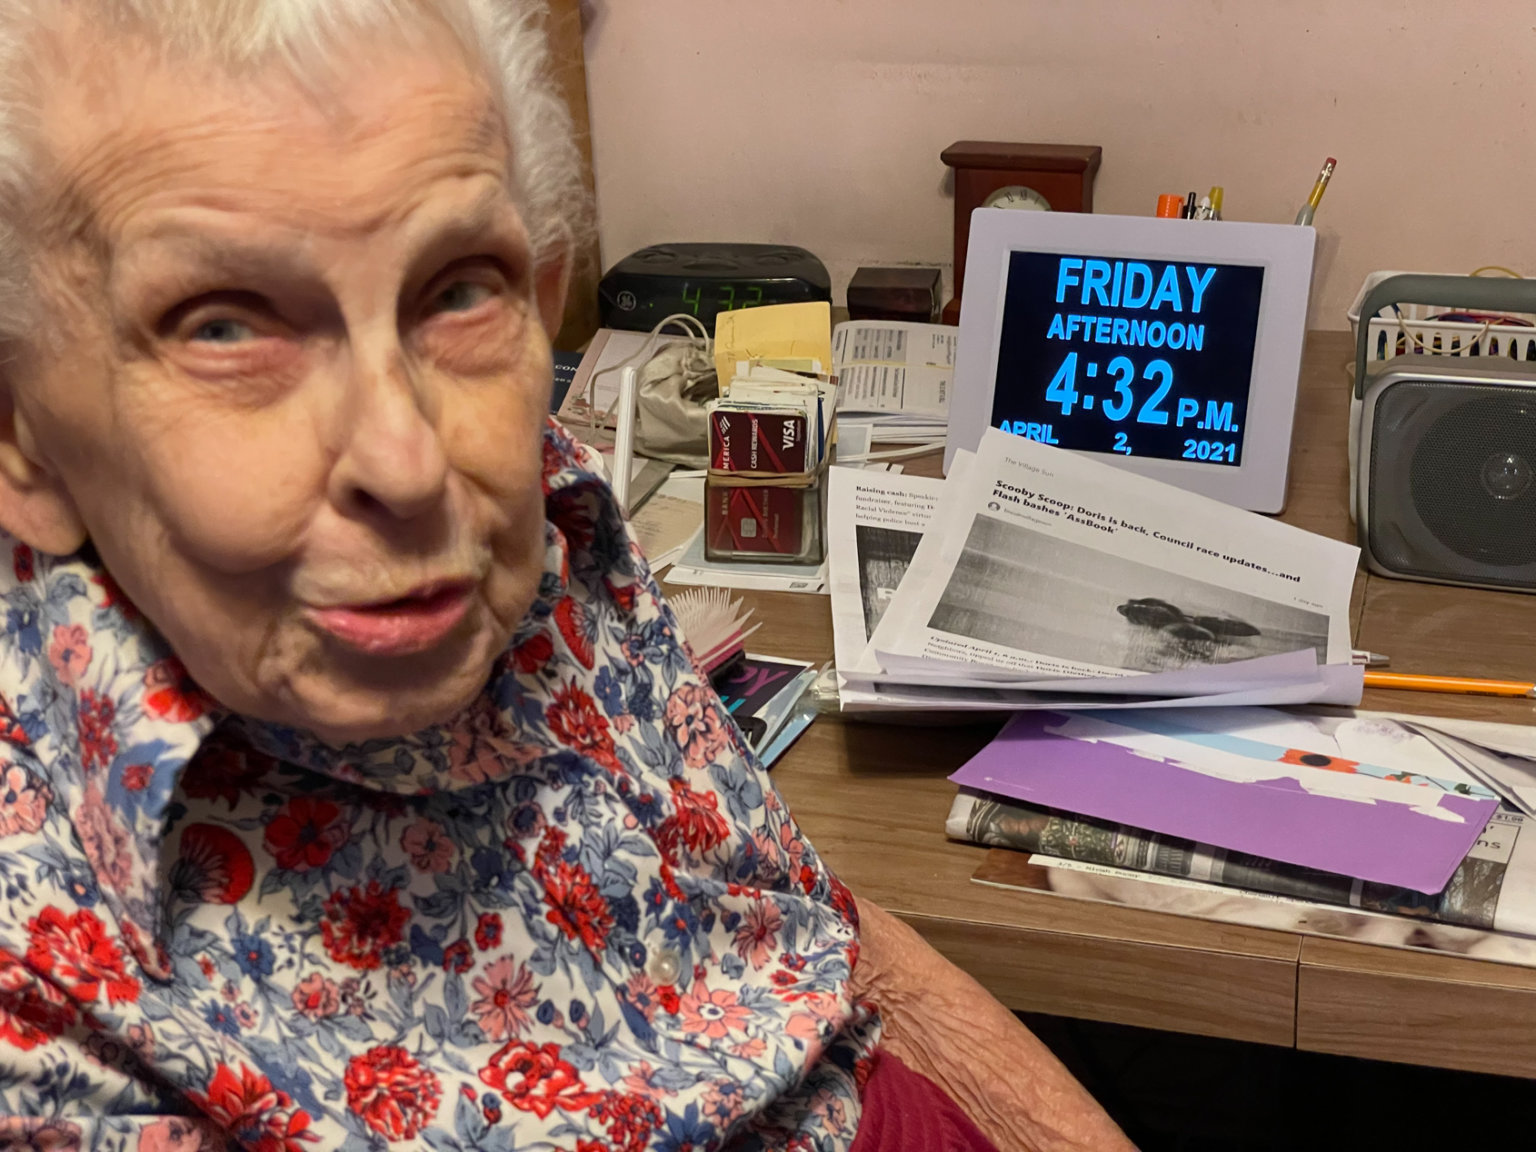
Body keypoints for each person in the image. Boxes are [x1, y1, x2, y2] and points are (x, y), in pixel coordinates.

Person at [0, 2, 1135, 1148]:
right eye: (223, 328)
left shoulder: (553, 510)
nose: (410, 461)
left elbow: (826, 941)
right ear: (21, 431)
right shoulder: (40, 988)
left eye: (458, 289)